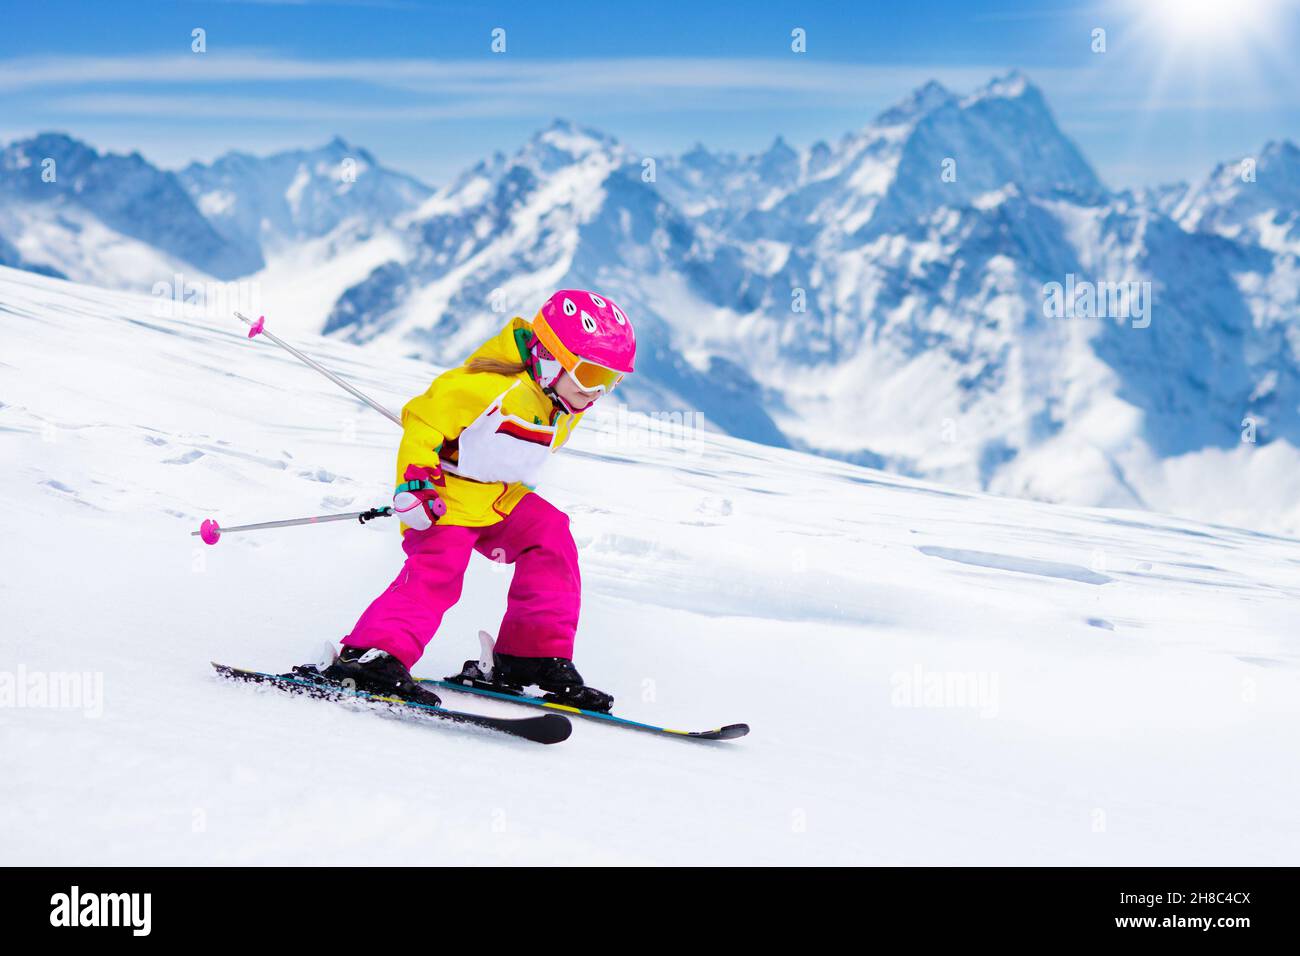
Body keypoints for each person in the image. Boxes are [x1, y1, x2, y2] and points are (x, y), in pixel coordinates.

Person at [317, 289, 636, 712]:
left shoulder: (560, 402)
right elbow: (423, 421)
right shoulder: (487, 388)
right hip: (445, 500)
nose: (597, 393)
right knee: (441, 568)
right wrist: (415, 483)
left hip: (497, 502)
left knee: (552, 535)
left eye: (611, 381)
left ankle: (529, 658)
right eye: (591, 376)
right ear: (549, 357)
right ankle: (373, 655)